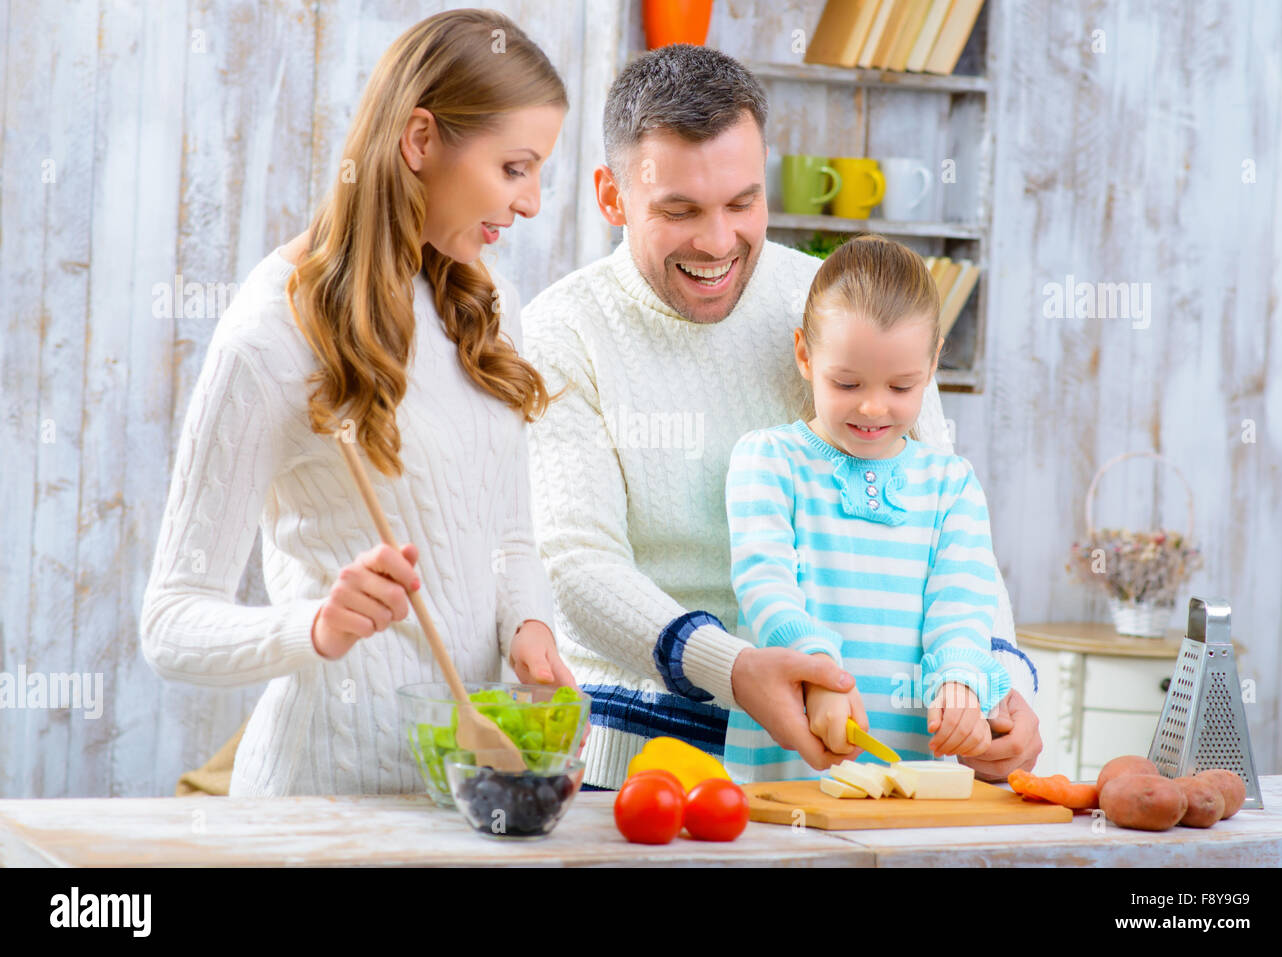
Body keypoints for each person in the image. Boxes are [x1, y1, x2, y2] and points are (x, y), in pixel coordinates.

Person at [521, 44, 1041, 791]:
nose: (718, 241)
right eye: (680, 210)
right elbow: (577, 563)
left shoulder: (837, 302)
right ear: (611, 196)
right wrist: (735, 670)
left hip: (850, 767)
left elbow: (947, 519)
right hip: (643, 765)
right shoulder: (561, 331)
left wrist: (1007, 677)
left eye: (743, 202)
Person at [140, 10, 576, 797]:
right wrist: (315, 625)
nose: (534, 201)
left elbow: (507, 531)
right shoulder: (274, 332)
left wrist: (530, 625)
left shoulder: (485, 300)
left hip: (466, 794)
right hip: (321, 803)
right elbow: (170, 622)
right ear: (419, 140)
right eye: (516, 168)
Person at [723, 234, 1009, 783]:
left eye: (902, 386)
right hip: (783, 780)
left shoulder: (951, 485)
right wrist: (819, 674)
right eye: (846, 382)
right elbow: (764, 582)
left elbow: (964, 605)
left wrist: (960, 683)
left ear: (932, 365)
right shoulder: (770, 461)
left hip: (912, 780)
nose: (874, 407)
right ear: (805, 355)